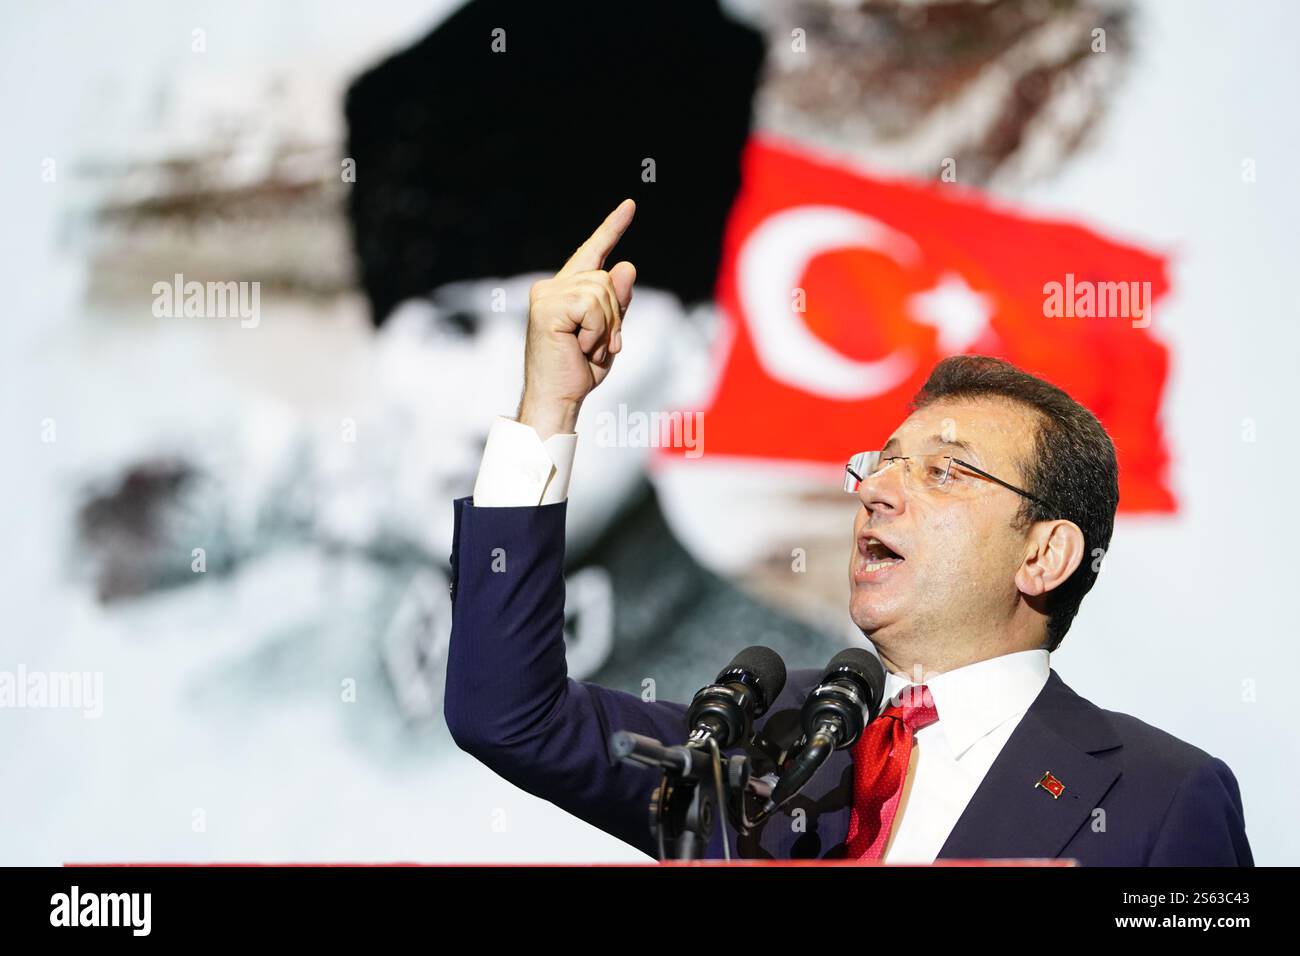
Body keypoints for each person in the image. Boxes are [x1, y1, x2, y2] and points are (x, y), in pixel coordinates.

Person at [445, 201, 1253, 865]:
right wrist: (547, 406)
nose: (877, 490)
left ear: (1044, 555)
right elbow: (509, 715)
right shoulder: (763, 731)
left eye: (944, 470)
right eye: (882, 463)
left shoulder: (1160, 796)